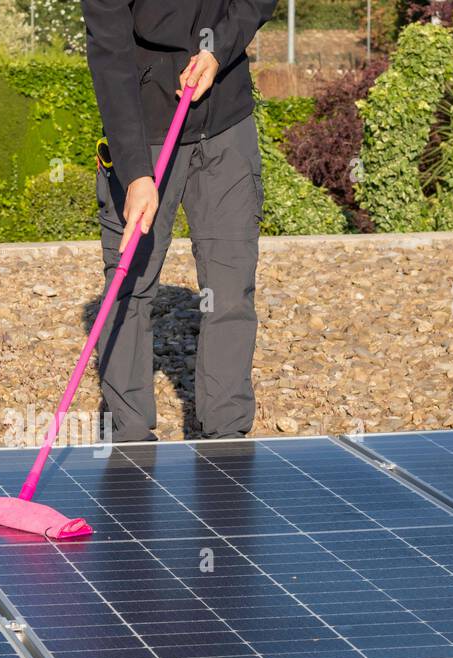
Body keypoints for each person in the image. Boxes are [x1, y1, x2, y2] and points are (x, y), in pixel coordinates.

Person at [81, 1, 277, 442]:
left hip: (225, 122)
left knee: (229, 289)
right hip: (146, 131)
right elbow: (110, 55)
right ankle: (128, 439)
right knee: (128, 286)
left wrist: (217, 51)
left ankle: (225, 436)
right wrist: (134, 172)